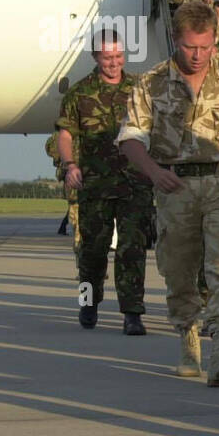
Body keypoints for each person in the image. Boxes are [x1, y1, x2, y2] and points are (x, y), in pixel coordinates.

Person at [118, 1, 219, 385]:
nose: (198, 55)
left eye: (205, 47)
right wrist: (155, 172)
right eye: (191, 47)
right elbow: (130, 138)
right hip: (175, 186)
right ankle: (187, 333)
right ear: (176, 40)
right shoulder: (152, 82)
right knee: (178, 269)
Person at [57, 28, 154, 334]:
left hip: (134, 183)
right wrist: (70, 164)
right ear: (96, 57)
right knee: (92, 253)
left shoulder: (140, 89)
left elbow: (158, 126)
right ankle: (88, 302)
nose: (114, 63)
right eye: (107, 57)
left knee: (132, 249)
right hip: (95, 185)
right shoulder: (79, 93)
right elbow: (65, 133)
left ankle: (132, 313)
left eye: (118, 56)